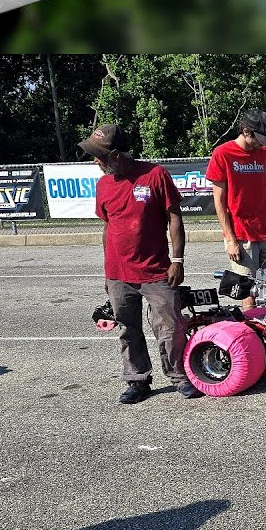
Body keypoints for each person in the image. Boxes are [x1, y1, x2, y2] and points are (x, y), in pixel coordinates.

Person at [81, 123, 201, 403]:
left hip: (156, 270)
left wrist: (178, 259)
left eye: (99, 156)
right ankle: (137, 380)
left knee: (170, 327)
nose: (95, 162)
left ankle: (179, 377)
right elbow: (107, 227)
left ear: (117, 155)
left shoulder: (155, 174)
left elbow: (174, 217)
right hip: (118, 274)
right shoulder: (103, 185)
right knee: (127, 328)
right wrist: (107, 272)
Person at [206, 109, 266, 311]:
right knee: (249, 290)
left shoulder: (262, 153)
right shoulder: (223, 153)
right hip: (240, 235)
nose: (262, 143)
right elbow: (219, 202)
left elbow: (263, 191)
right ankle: (252, 335)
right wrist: (230, 240)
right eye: (259, 138)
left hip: (265, 231)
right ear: (246, 131)